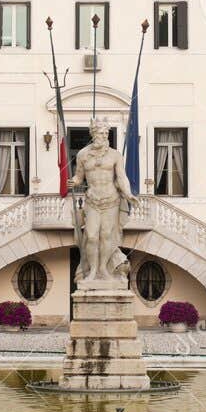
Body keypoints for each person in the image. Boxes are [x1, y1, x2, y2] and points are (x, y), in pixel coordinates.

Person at [69, 119, 133, 287]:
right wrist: (73, 181)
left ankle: (103, 269)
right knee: (91, 236)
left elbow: (122, 177)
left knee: (106, 236)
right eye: (100, 133)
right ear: (93, 134)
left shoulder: (115, 155)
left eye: (106, 133)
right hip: (92, 200)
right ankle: (92, 271)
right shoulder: (83, 154)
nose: (104, 136)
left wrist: (128, 194)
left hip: (111, 200)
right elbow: (79, 177)